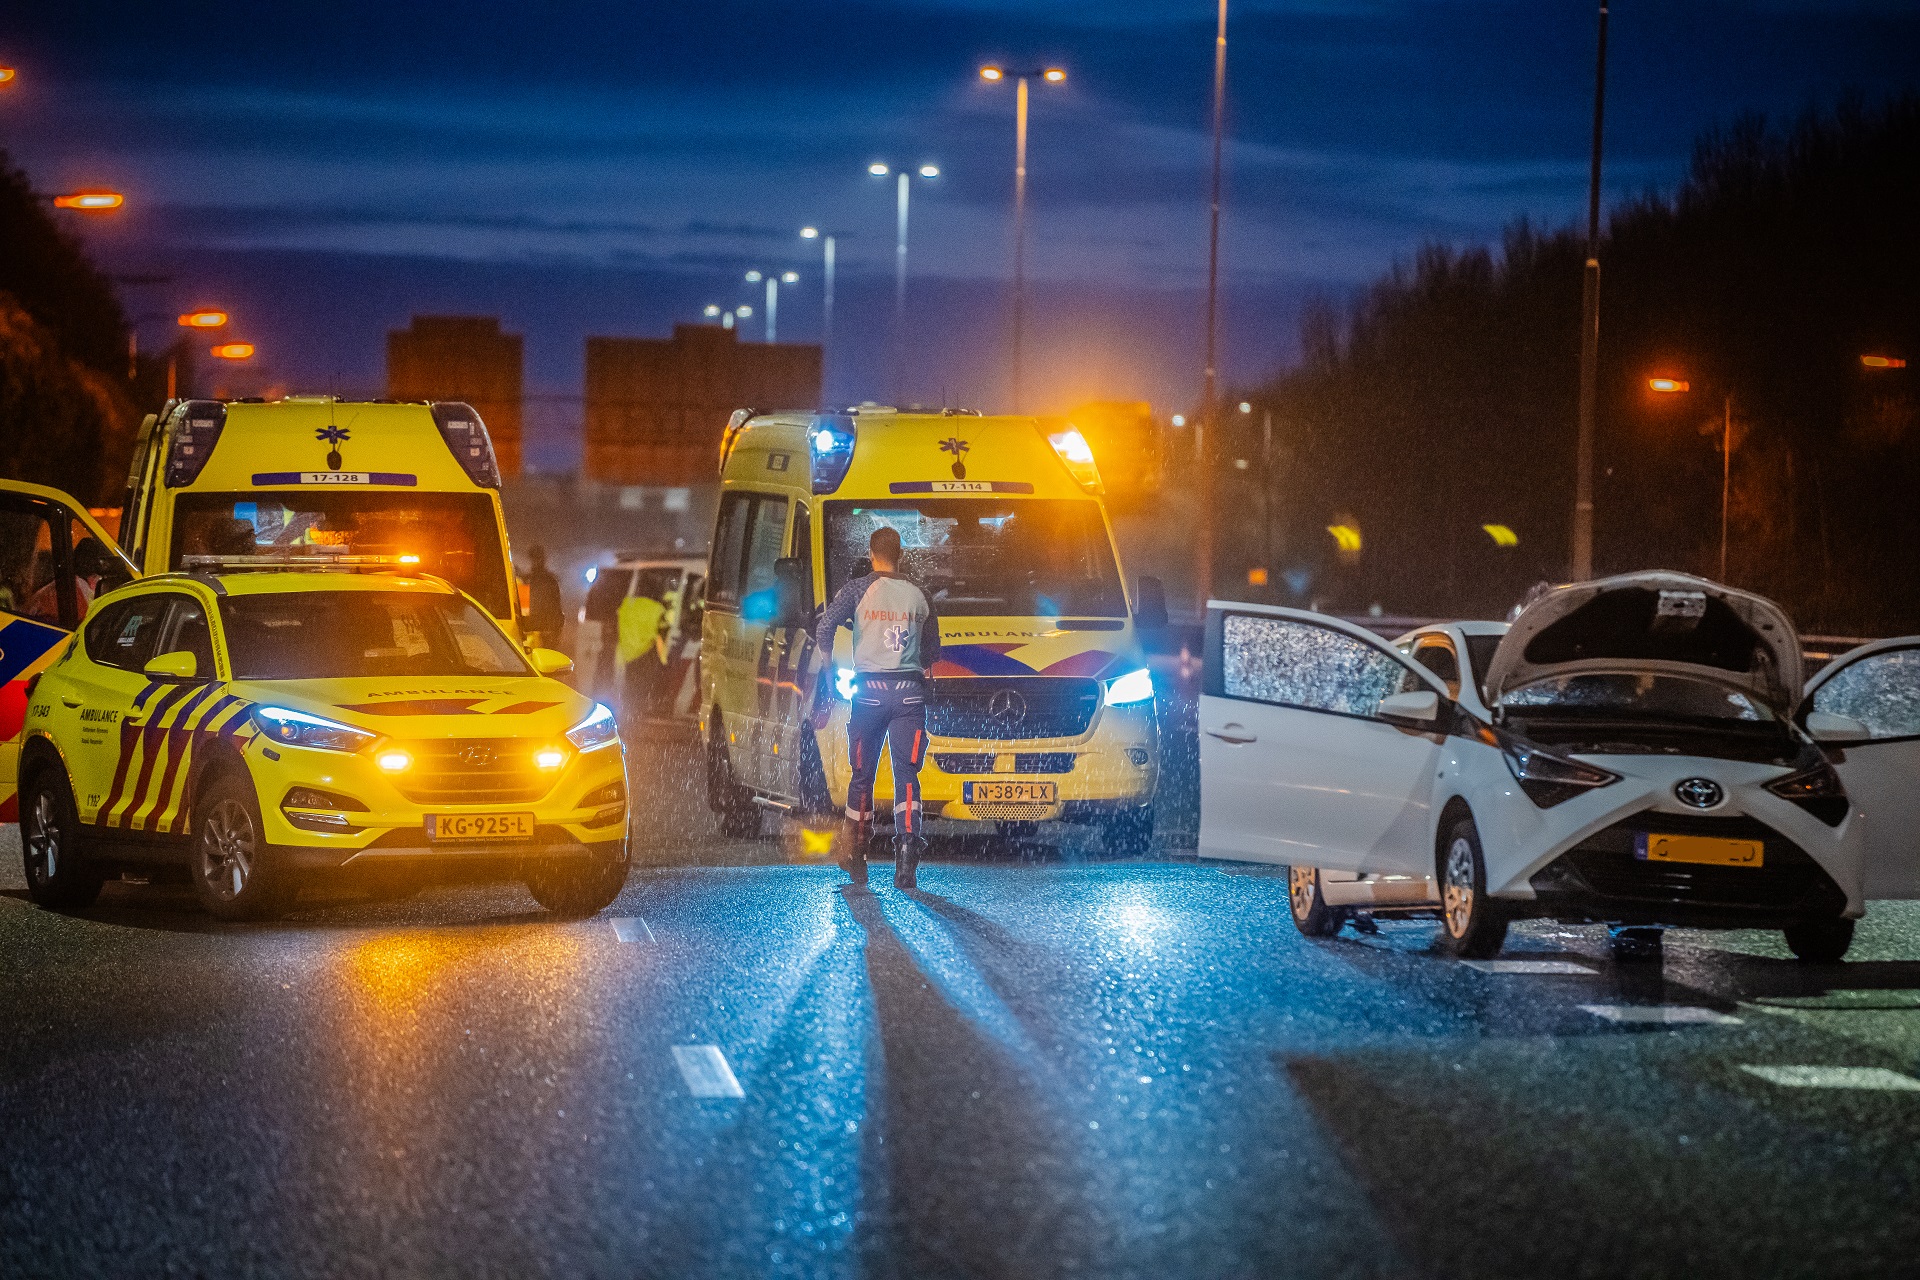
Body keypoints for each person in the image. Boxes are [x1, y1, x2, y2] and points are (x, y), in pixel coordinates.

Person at [811, 525, 943, 889]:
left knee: (862, 776)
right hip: (910, 698)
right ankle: (907, 857)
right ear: (900, 555)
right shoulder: (921, 595)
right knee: (907, 777)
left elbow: (824, 630)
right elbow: (932, 652)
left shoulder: (857, 589)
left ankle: (856, 855)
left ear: (872, 554)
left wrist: (827, 670)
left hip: (868, 695)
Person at [523, 545, 565, 648]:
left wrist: (551, 633)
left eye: (537, 558)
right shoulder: (528, 581)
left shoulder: (548, 581)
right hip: (532, 634)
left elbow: (555, 613)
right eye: (534, 558)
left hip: (544, 635)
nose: (535, 561)